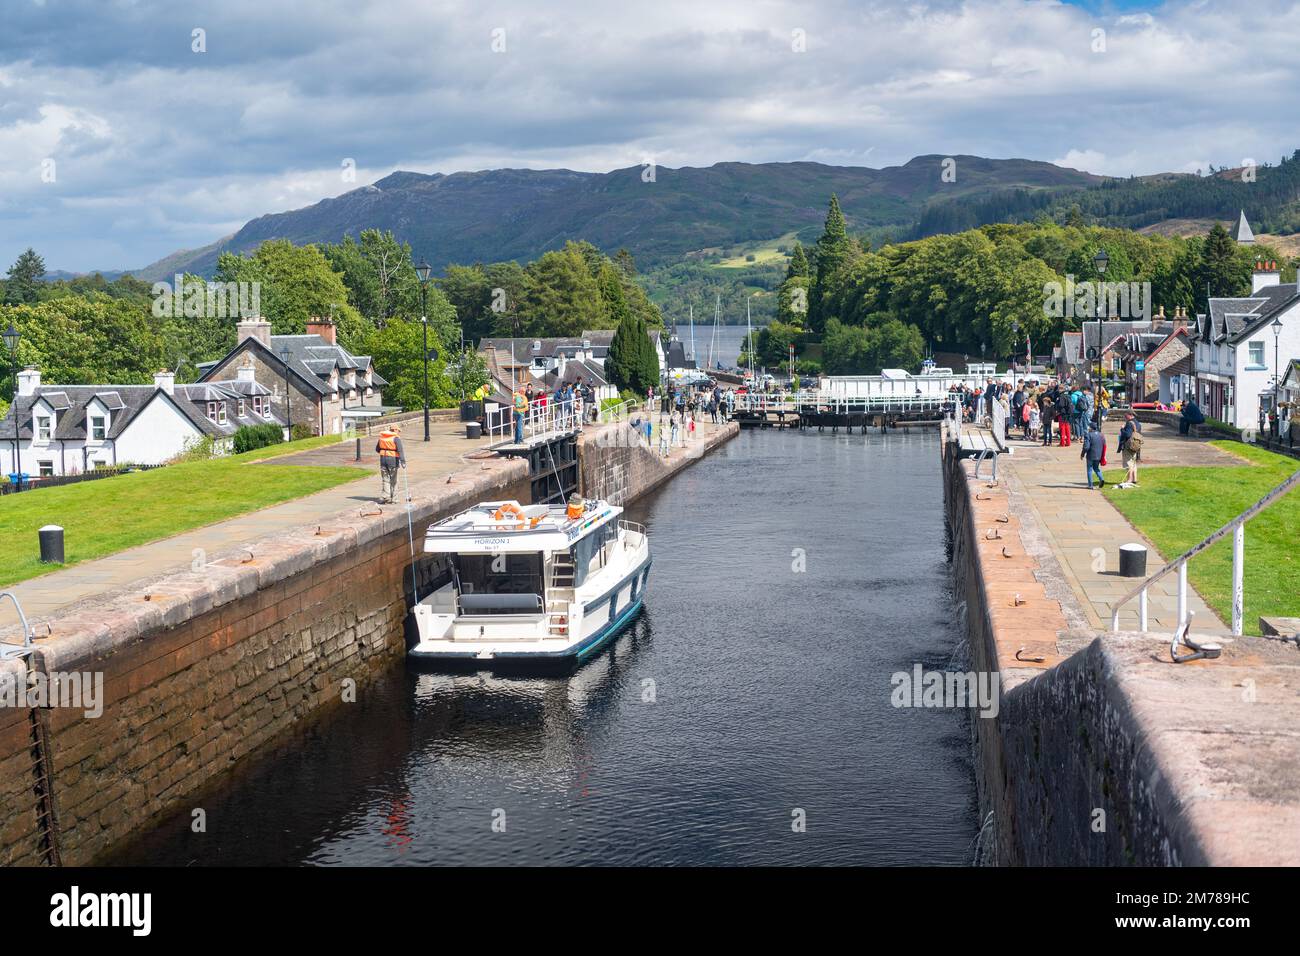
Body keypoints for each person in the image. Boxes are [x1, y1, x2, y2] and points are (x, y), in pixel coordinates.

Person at [375, 424, 406, 503]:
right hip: (393, 461)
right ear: (395, 430)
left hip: (383, 460)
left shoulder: (382, 438)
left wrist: (385, 450)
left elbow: (377, 449)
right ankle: (394, 499)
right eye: (398, 431)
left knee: (385, 480)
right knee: (394, 480)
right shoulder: (396, 439)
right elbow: (400, 451)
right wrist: (403, 461)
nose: (398, 432)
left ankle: (386, 496)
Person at [1118, 412, 1143, 486]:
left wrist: (1122, 429)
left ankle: (1129, 479)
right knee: (1133, 462)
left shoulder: (1129, 423)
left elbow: (1128, 434)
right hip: (1135, 445)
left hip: (1128, 445)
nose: (1125, 417)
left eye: (1126, 416)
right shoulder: (1138, 423)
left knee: (1128, 462)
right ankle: (1134, 479)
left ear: (1130, 415)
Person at [1080, 422, 1105, 489]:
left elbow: (1086, 447)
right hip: (1099, 455)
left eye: (1089, 427)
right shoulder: (1101, 435)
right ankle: (1101, 478)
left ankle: (1090, 485)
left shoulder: (1088, 435)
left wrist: (1082, 454)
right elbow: (1104, 445)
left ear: (1091, 428)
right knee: (1096, 468)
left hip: (1091, 455)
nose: (1088, 428)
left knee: (1089, 470)